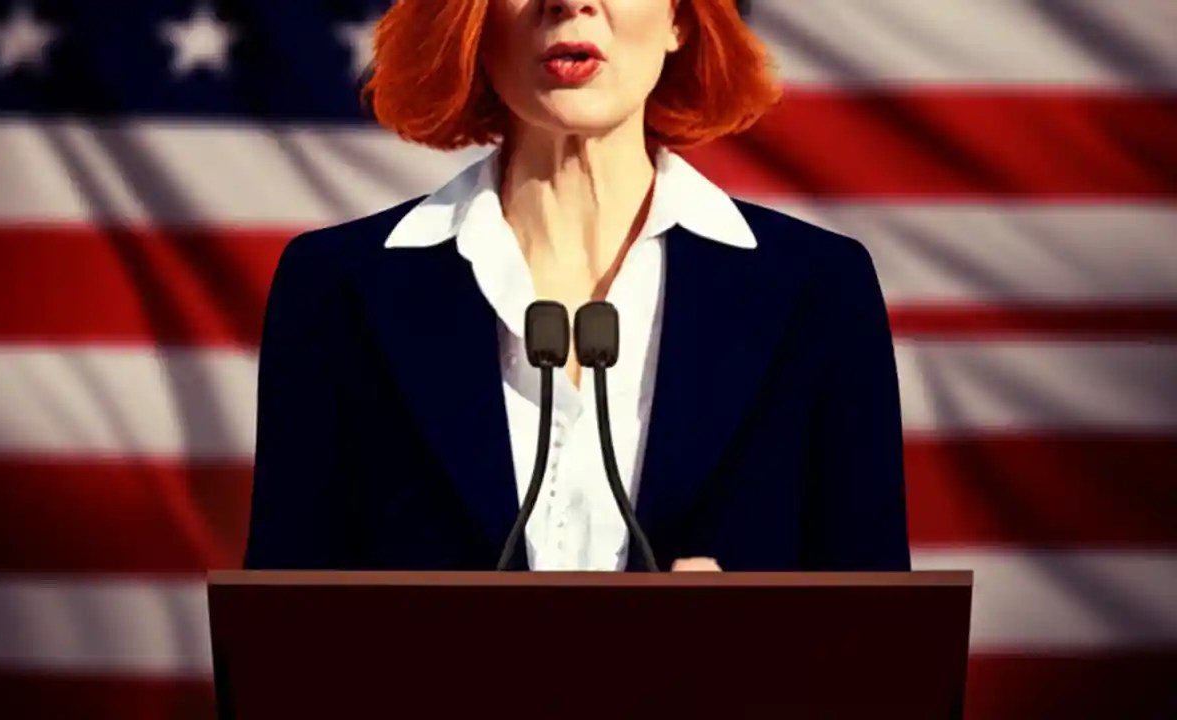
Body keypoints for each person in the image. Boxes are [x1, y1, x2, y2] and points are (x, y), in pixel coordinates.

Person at [243, 0, 909, 573]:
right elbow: (281, 645)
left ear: (680, 16)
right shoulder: (336, 289)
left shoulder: (817, 289)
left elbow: (883, 654)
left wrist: (750, 647)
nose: (568, 0)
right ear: (472, 20)